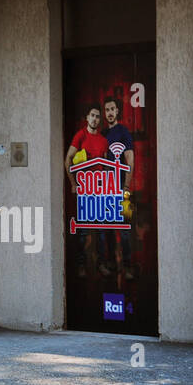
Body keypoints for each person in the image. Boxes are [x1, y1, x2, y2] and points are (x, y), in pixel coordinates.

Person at [65, 106, 109, 278]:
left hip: (99, 189)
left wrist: (106, 186)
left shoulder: (103, 140)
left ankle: (101, 264)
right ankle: (82, 265)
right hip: (84, 189)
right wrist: (73, 183)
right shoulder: (80, 135)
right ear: (87, 118)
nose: (95, 119)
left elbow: (105, 166)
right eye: (92, 116)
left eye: (98, 117)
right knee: (83, 231)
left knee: (102, 230)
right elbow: (68, 159)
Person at [100, 95, 135, 278]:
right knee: (108, 230)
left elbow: (130, 158)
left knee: (125, 229)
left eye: (112, 109)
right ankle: (112, 265)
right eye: (107, 110)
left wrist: (126, 186)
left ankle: (128, 267)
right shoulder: (103, 134)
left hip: (122, 189)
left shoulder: (123, 132)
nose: (110, 113)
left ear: (117, 111)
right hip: (107, 189)